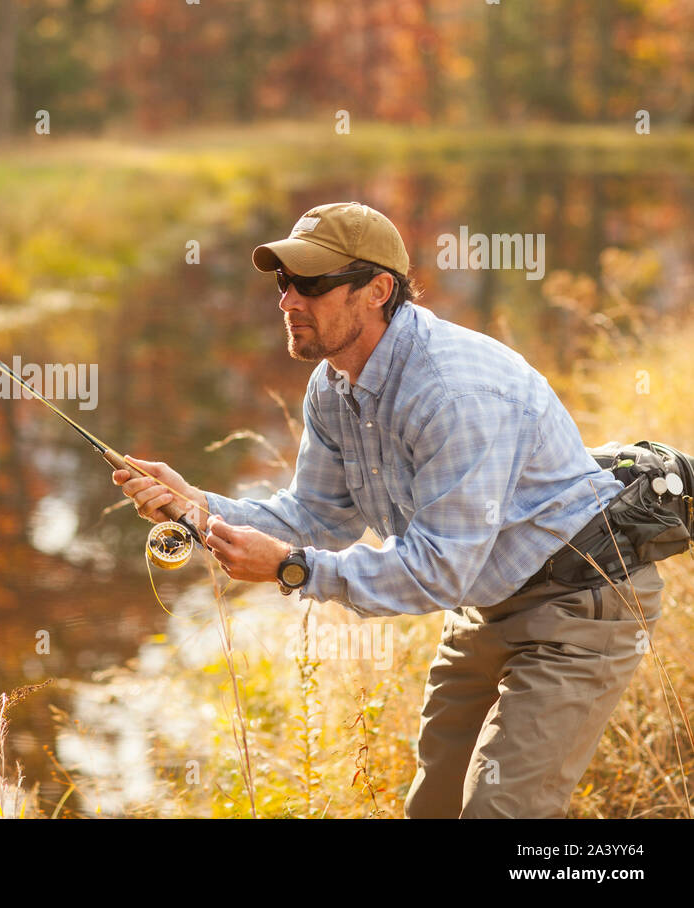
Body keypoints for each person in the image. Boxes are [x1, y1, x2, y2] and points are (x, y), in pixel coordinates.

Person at [112, 201, 662, 818]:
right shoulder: (332, 383)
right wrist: (194, 506)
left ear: (377, 290)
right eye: (284, 282)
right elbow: (317, 517)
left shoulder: (453, 392)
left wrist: (294, 569)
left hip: (579, 603)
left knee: (500, 812)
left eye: (312, 284)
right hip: (485, 599)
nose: (288, 301)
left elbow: (437, 569)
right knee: (433, 807)